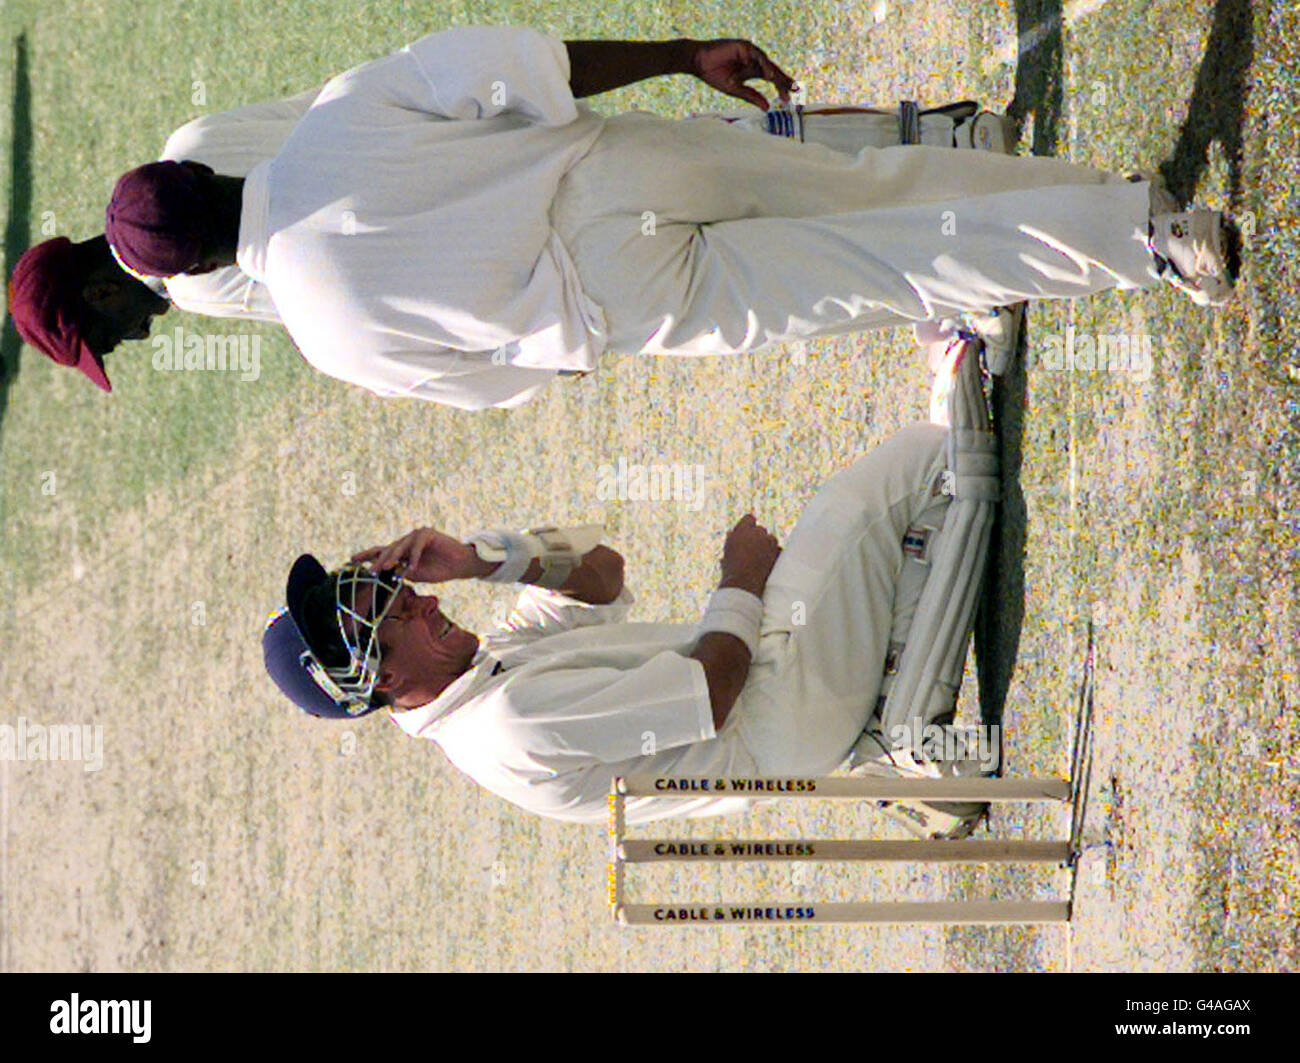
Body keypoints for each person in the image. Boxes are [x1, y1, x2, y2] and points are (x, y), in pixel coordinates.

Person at [102, 26, 1235, 411]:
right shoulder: (339, 112)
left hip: (613, 302)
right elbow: (529, 65)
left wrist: (569, 325)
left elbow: (503, 383)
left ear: (196, 268)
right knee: (886, 190)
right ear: (200, 175)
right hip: (610, 165)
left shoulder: (324, 339)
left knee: (889, 269)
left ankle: (1143, 243)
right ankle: (1140, 214)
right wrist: (682, 56)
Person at [261, 328, 1007, 832]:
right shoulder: (507, 721)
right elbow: (711, 693)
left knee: (891, 531)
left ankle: (898, 736)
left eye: (397, 592)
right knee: (888, 482)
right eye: (393, 619)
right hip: (772, 710)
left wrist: (481, 558)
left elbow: (602, 571)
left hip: (772, 700)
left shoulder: (488, 672)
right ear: (381, 680)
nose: (422, 602)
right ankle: (960, 369)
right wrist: (740, 581)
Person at [5, 90, 321, 391]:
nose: (141, 334)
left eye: (114, 336)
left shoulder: (195, 286)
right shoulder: (187, 141)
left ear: (101, 293)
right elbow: (314, 105)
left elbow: (323, 305)